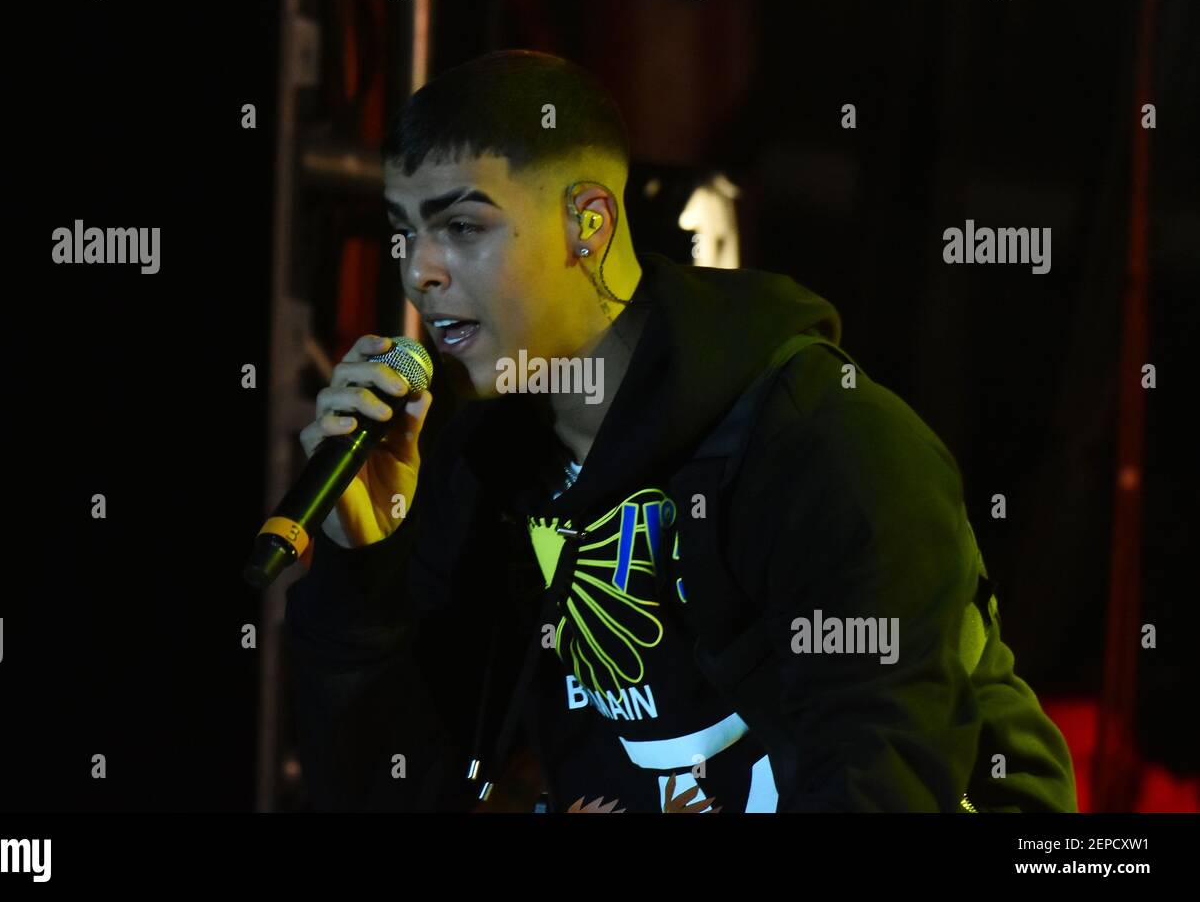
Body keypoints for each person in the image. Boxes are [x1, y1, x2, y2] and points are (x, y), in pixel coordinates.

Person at [283, 49, 1076, 813]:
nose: (420, 270)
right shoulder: (488, 467)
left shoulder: (824, 445)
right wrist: (363, 572)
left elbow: (880, 779)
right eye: (403, 231)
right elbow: (384, 791)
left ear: (586, 224)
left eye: (461, 227)